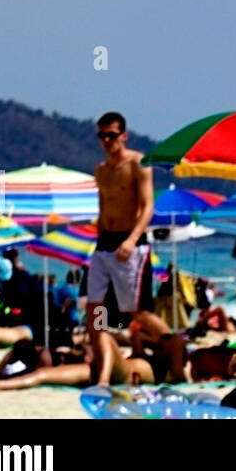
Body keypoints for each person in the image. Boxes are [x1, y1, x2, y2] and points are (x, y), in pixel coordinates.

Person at [89, 111, 154, 354]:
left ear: (124, 136)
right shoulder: (101, 170)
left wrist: (132, 239)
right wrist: (98, 238)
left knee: (137, 311)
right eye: (102, 136)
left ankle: (174, 342)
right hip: (104, 242)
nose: (107, 141)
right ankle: (97, 351)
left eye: (112, 135)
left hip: (129, 240)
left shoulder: (138, 164)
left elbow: (148, 206)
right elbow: (103, 206)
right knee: (95, 306)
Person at [0, 329, 158, 391]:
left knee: (102, 334)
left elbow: (173, 342)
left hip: (124, 373)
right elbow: (138, 338)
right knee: (42, 374)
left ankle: (103, 383)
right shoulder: (147, 354)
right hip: (97, 367)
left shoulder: (175, 365)